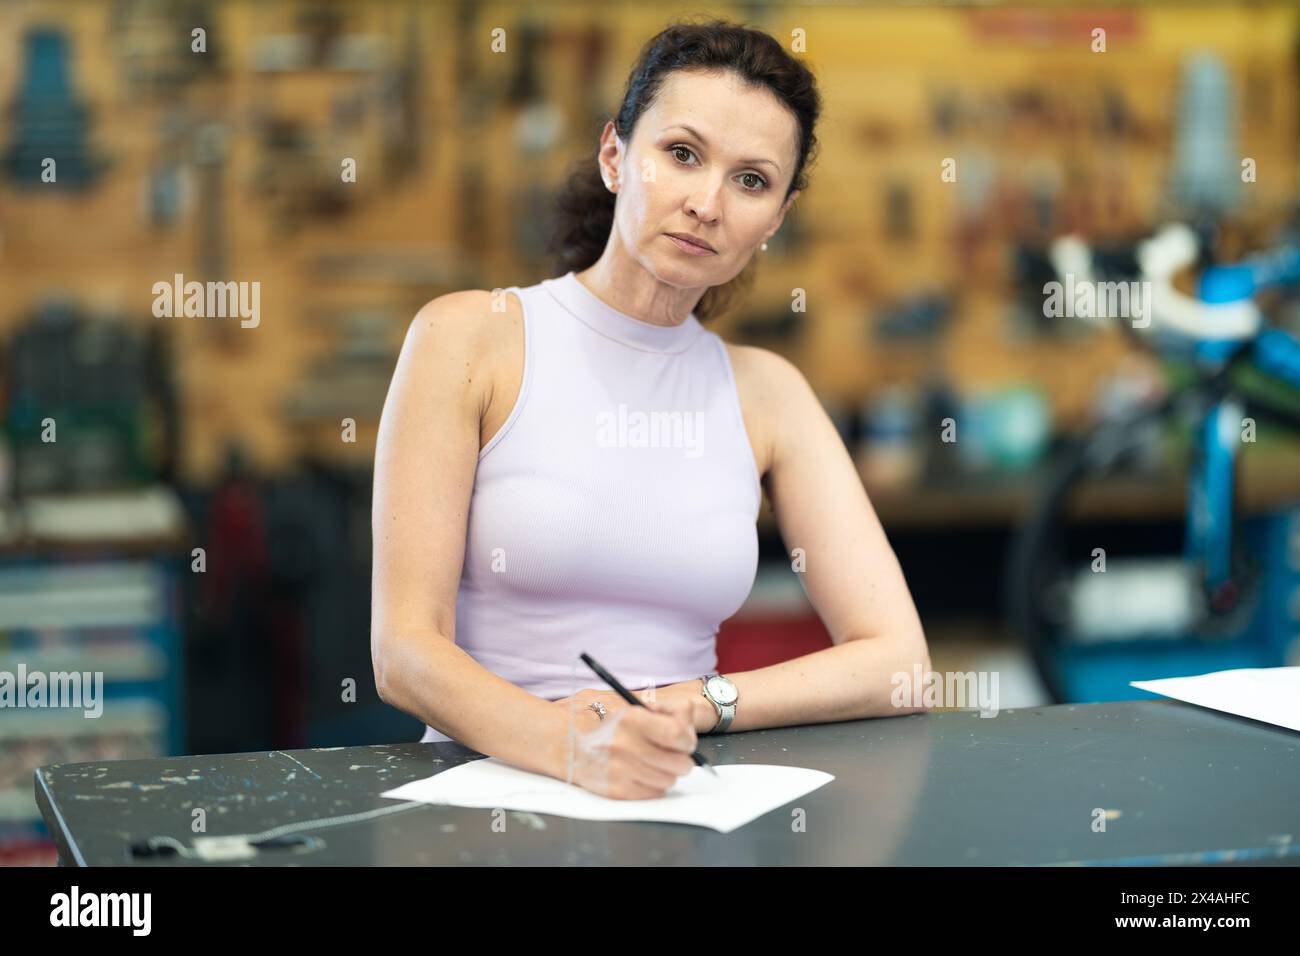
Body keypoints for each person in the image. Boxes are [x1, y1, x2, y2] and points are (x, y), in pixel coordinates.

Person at [371, 18, 930, 801]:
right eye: (682, 154)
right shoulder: (469, 338)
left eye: (751, 180)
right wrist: (572, 747)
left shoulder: (768, 392)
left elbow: (899, 664)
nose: (707, 203)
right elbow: (403, 652)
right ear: (615, 156)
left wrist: (697, 703)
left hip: (675, 791)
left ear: (777, 218)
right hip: (479, 795)